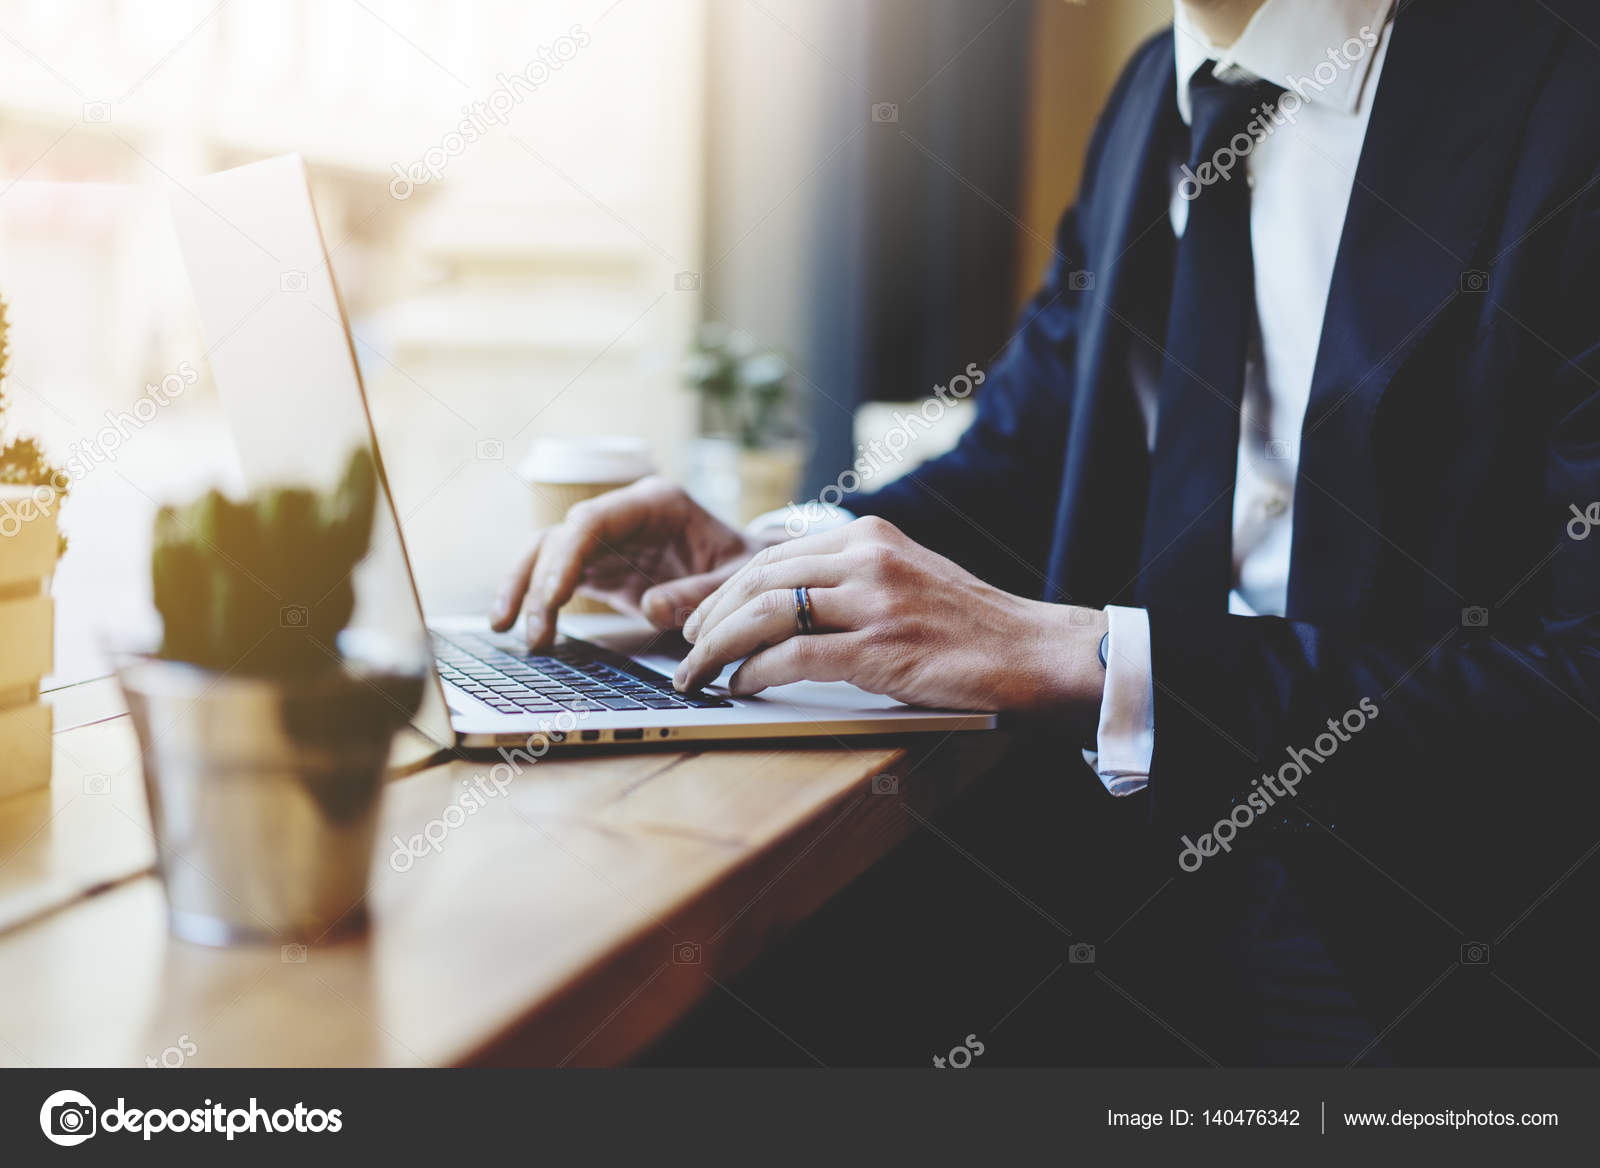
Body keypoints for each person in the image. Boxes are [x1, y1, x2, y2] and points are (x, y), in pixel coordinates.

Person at [495, 0, 1600, 1064]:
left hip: (1425, 937)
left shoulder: (1563, 96)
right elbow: (1026, 460)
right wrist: (769, 562)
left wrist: (1096, 658)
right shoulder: (1153, 101)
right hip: (1108, 872)